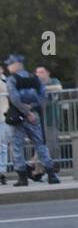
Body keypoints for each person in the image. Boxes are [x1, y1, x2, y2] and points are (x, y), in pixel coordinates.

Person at [4, 53, 60, 185]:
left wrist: (25, 111)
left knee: (17, 146)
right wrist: (32, 109)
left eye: (10, 64)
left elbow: (15, 98)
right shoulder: (34, 78)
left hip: (19, 117)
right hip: (35, 116)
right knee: (40, 145)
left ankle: (22, 178)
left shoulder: (12, 79)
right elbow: (42, 96)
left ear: (17, 65)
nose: (8, 67)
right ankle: (51, 175)